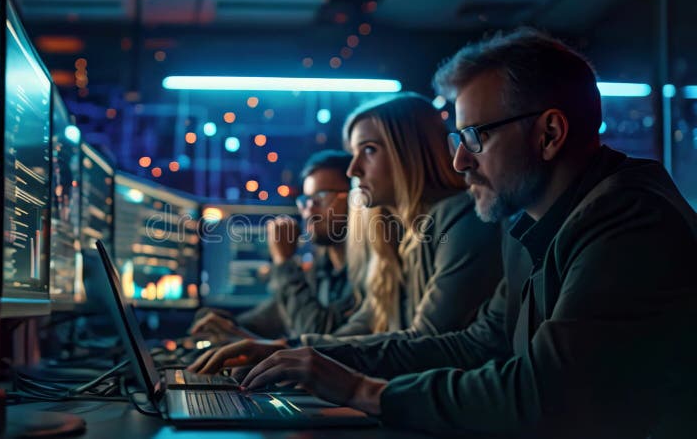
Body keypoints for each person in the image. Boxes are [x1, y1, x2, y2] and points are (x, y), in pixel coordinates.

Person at [192, 29, 697, 437]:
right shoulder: (529, 226)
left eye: (475, 137)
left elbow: (542, 396)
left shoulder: (632, 222)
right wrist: (304, 354)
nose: (459, 160)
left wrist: (362, 392)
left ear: (549, 134)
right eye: (457, 138)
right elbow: (474, 345)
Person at [189, 93, 503, 368]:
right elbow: (363, 326)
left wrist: (288, 351)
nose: (353, 170)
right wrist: (282, 351)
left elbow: (428, 342)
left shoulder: (459, 219)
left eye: (368, 150)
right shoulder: (398, 239)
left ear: (411, 154)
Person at [189, 150, 364, 341]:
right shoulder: (323, 268)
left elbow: (317, 336)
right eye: (305, 200)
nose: (309, 210)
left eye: (321, 197)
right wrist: (226, 324)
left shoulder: (365, 272)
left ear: (356, 199)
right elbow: (277, 314)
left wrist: (284, 260)